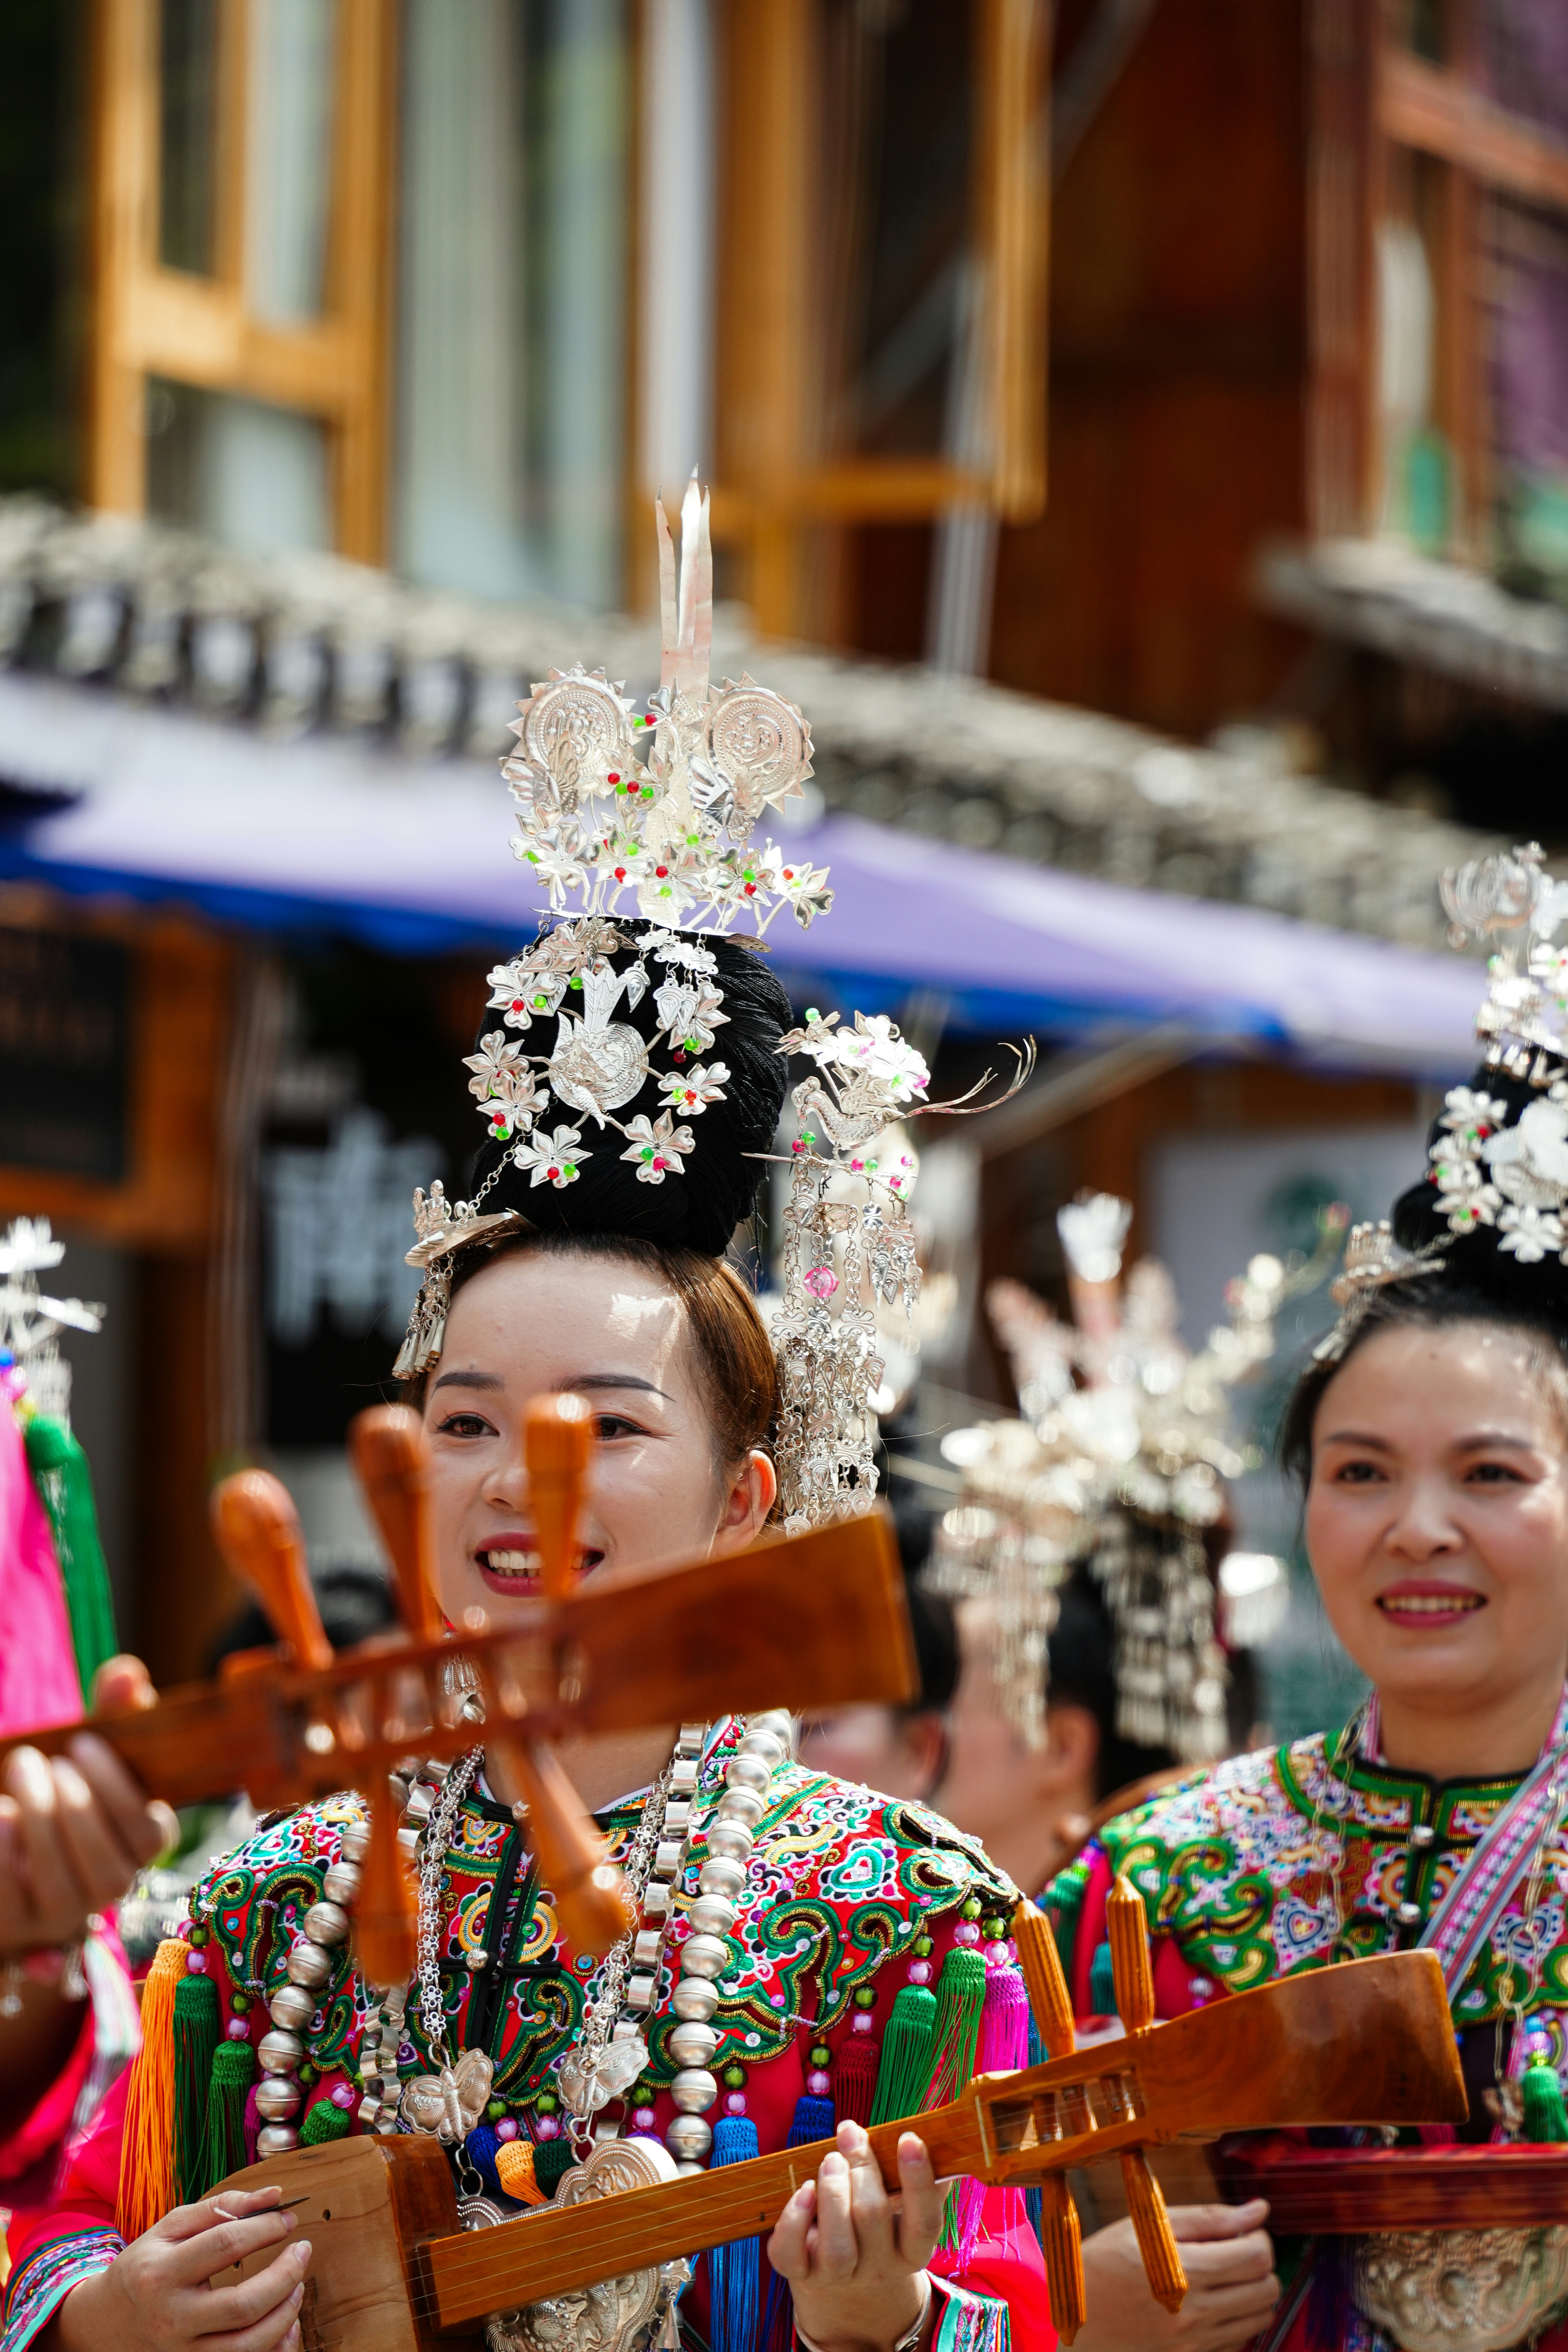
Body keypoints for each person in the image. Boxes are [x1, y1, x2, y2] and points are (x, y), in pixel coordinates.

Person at [4, 488, 1047, 2352]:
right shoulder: (268, 1900)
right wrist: (99, 2321)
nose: (515, 1479)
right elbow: (72, 2217)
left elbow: (1035, 2305)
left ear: (744, 1495)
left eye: (598, 1430)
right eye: (465, 1424)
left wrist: (901, 2331)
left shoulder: (905, 1918)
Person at [1036, 842, 1568, 2352]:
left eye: (1488, 1474)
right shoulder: (1155, 1884)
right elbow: (995, 2245)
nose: (1415, 1530)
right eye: (1356, 1473)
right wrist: (1093, 2322)